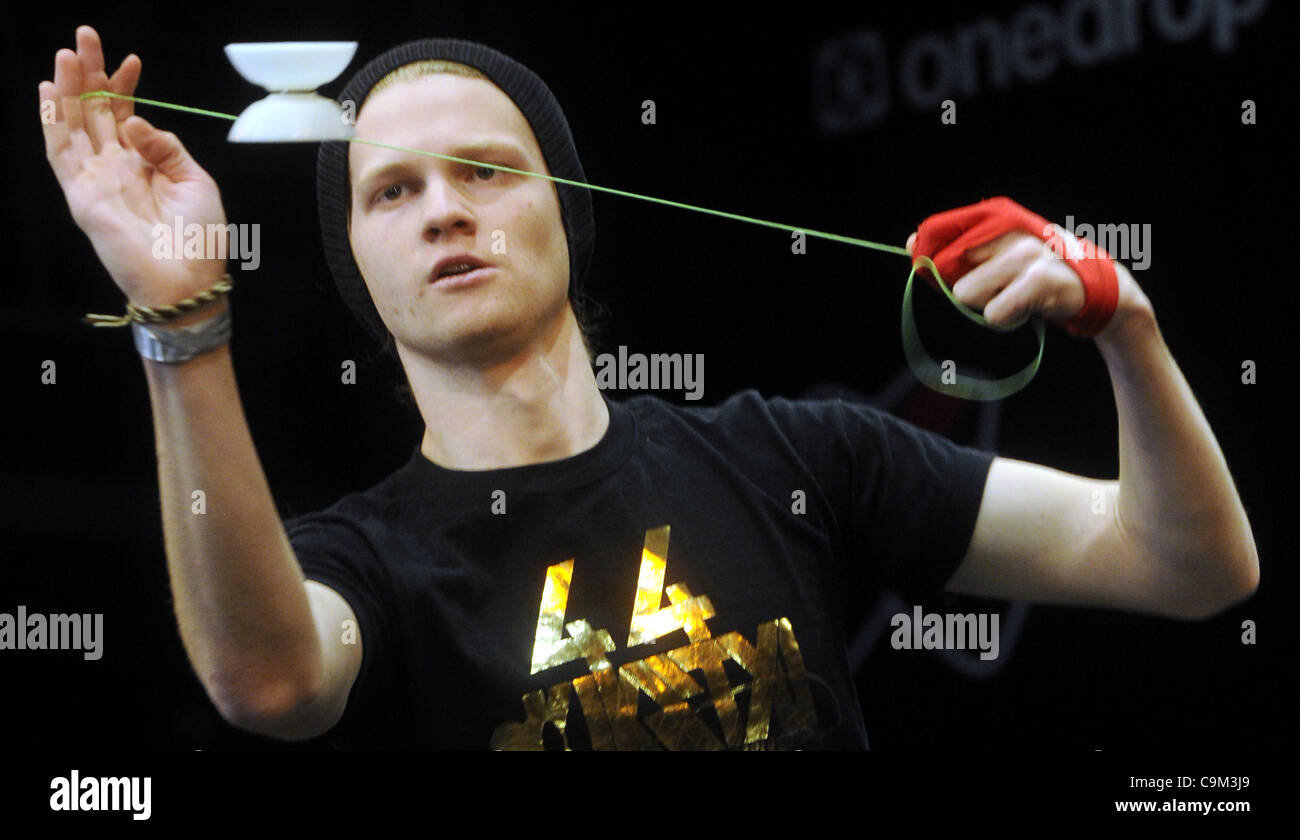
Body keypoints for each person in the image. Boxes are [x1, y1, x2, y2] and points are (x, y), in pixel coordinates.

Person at [41, 26, 1259, 750]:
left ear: (567, 216)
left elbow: (1189, 564)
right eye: (392, 191)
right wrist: (183, 316)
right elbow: (270, 681)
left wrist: (1128, 336)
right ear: (360, 259)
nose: (446, 209)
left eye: (484, 170)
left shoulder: (798, 460)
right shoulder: (364, 559)